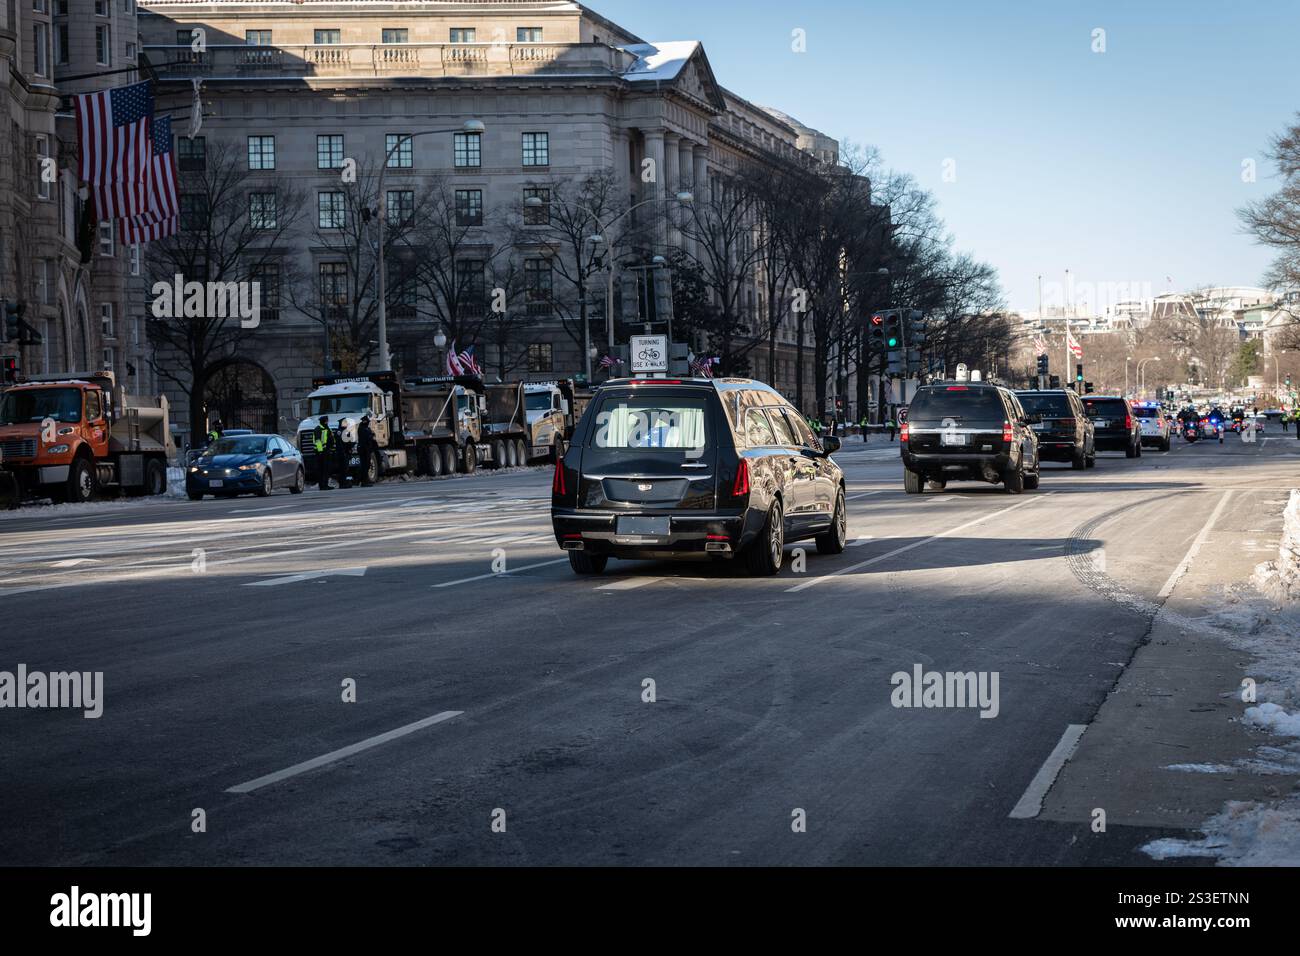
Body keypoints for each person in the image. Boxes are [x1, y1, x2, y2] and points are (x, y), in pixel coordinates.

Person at [313, 415, 334, 490]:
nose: (327, 422)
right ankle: (322, 485)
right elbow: (318, 441)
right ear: (323, 421)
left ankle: (325, 484)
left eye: (327, 421)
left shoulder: (327, 428)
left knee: (327, 469)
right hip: (321, 453)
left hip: (327, 451)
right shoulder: (318, 429)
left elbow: (330, 438)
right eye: (326, 421)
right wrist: (320, 451)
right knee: (322, 469)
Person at [358, 415, 378, 485]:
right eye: (367, 421)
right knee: (364, 465)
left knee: (367, 465)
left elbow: (371, 436)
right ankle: (364, 481)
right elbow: (365, 438)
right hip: (364, 449)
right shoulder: (361, 429)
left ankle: (366, 480)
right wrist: (370, 436)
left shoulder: (366, 428)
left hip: (368, 449)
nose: (368, 423)